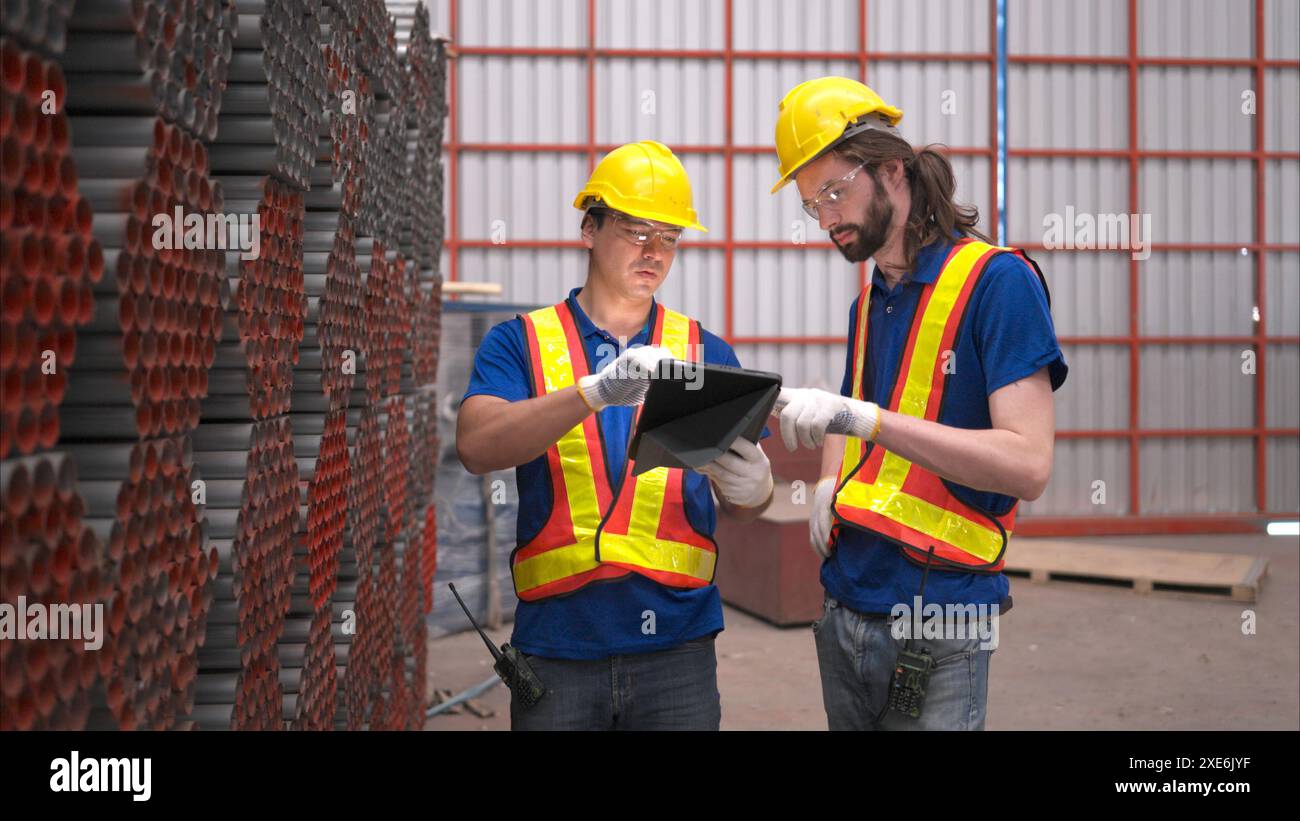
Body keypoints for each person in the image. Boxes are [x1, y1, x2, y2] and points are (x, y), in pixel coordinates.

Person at [769, 77, 1069, 730]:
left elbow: (1028, 464)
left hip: (941, 615)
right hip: (847, 603)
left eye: (833, 192)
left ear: (892, 170)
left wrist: (868, 421)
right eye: (810, 204)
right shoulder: (870, 302)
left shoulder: (1000, 284)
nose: (824, 219)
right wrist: (827, 479)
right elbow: (849, 406)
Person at [456, 140, 775, 730]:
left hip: (678, 648)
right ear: (588, 229)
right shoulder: (520, 343)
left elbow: (743, 503)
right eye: (635, 231)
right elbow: (476, 445)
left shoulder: (706, 353)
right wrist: (593, 393)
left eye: (671, 238)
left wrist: (755, 490)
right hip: (557, 647)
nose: (655, 251)